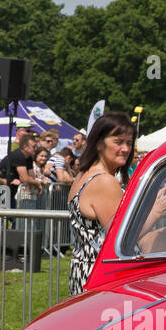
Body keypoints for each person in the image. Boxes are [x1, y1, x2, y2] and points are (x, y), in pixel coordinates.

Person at [67, 112, 134, 294]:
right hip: (99, 278)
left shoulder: (83, 175)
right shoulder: (104, 182)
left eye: (129, 143)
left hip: (82, 273)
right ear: (98, 143)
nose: (126, 149)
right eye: (118, 142)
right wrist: (157, 211)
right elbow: (124, 238)